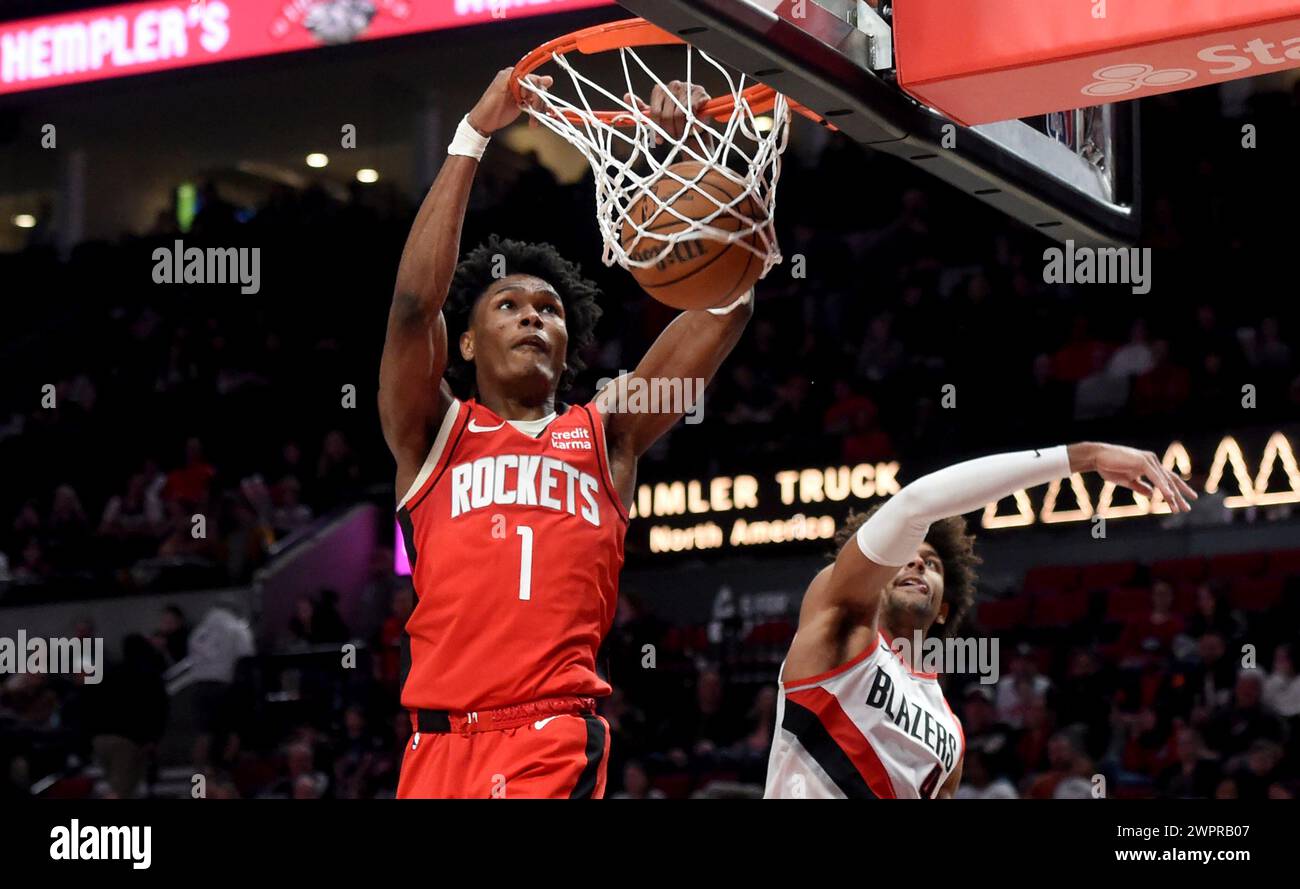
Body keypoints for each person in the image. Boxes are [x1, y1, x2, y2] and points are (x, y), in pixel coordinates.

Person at [379, 70, 753, 798]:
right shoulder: (433, 432)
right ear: (465, 343)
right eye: (508, 304)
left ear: (567, 337)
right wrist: (473, 134)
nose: (531, 315)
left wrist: (694, 155)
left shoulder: (607, 433)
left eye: (549, 308)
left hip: (549, 736)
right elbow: (412, 305)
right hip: (433, 748)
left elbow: (725, 304)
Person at [765, 442, 1195, 798]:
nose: (917, 564)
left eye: (932, 564)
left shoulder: (950, 731)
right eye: (906, 559)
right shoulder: (839, 619)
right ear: (874, 582)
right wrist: (1084, 456)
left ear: (944, 610)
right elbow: (916, 503)